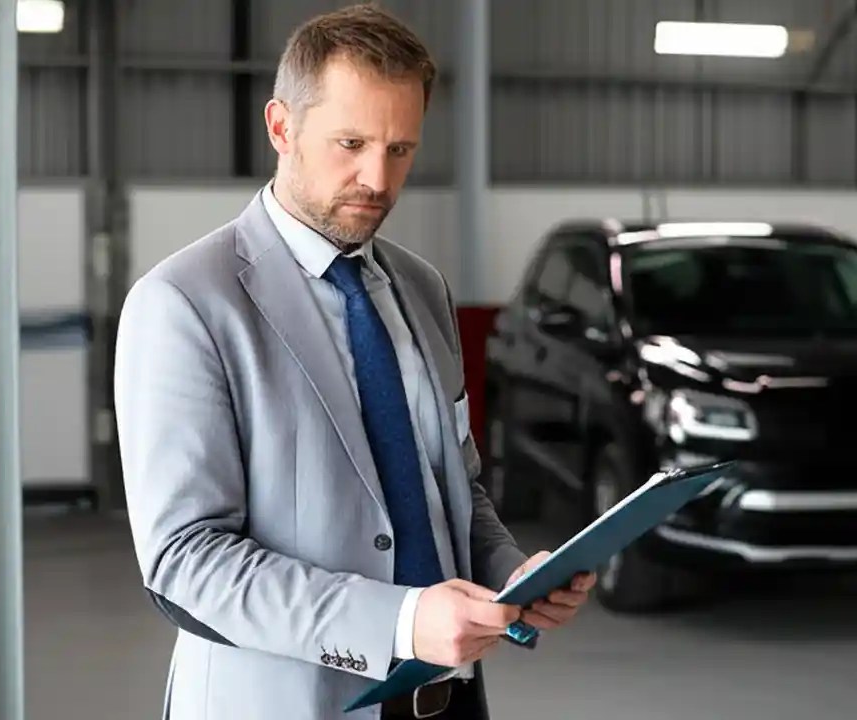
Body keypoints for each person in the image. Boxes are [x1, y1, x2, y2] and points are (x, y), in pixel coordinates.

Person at [114, 4, 595, 719]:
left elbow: (451, 491)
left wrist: (513, 574)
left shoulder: (421, 288)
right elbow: (185, 562)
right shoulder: (184, 303)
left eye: (401, 148)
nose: (377, 177)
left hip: (446, 700)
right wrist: (398, 621)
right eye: (351, 143)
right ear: (282, 127)